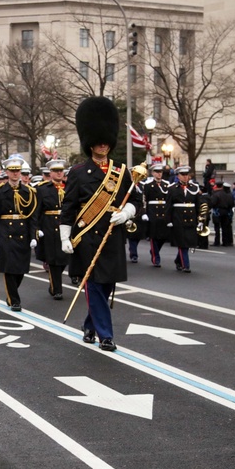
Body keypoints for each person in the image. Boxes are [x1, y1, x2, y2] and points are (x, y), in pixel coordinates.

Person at [60, 96, 135, 351]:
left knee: (106, 285)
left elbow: (136, 200)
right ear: (89, 142)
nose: (103, 145)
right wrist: (64, 237)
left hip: (112, 237)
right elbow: (68, 207)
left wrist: (126, 214)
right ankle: (106, 335)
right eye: (98, 141)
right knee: (93, 285)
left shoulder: (122, 171)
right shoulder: (78, 172)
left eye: (106, 141)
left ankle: (90, 326)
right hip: (87, 238)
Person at [0, 157, 38, 311]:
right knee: (9, 267)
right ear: (7, 172)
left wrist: (33, 235)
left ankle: (12, 292)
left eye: (18, 171)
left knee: (21, 268)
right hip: (6, 232)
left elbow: (32, 216)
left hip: (22, 232)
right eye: (13, 171)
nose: (16, 174)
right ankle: (14, 299)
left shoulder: (28, 192)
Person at [35, 158, 70, 299]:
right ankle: (57, 289)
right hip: (49, 225)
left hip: (66, 224)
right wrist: (37, 228)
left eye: (61, 171)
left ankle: (54, 284)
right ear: (50, 173)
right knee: (54, 259)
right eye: (56, 171)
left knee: (64, 258)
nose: (59, 173)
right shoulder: (42, 189)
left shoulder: (69, 187)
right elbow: (37, 210)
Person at [165, 166, 204, 272]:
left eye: (186, 175)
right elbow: (168, 205)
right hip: (178, 218)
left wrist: (200, 220)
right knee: (182, 243)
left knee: (188, 242)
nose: (185, 177)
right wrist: (168, 220)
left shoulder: (194, 188)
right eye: (183, 175)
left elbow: (197, 205)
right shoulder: (172, 188)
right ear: (178, 176)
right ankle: (186, 265)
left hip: (190, 218)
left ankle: (178, 260)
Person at [141, 163, 170, 267]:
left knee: (163, 236)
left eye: (160, 172)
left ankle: (154, 251)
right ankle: (156, 258)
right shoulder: (148, 185)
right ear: (153, 173)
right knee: (153, 236)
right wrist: (144, 213)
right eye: (157, 172)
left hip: (163, 212)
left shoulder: (166, 185)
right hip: (153, 212)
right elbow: (144, 200)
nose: (159, 174)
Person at [210, 181, 235, 246]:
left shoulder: (216, 194)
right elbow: (232, 204)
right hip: (226, 212)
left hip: (217, 212)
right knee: (225, 227)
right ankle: (225, 242)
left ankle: (217, 241)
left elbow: (212, 203)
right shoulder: (229, 195)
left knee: (217, 228)